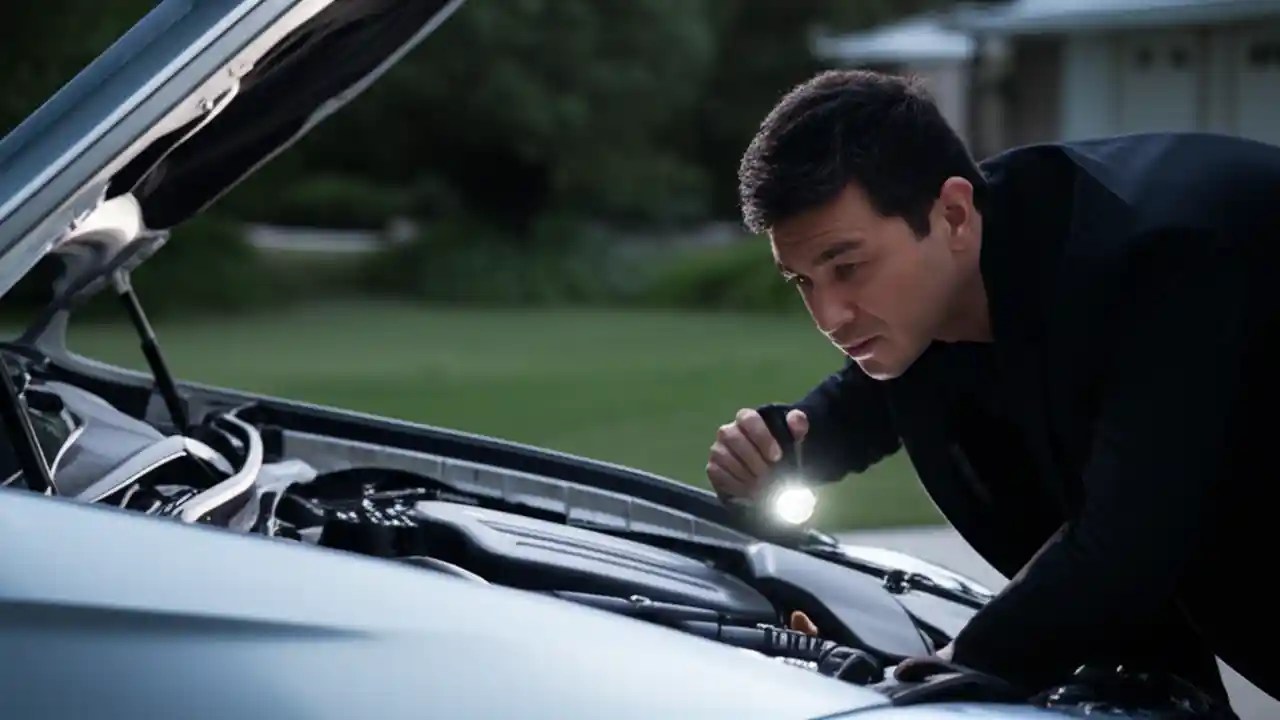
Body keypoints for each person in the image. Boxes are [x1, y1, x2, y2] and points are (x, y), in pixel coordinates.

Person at [707, 68, 1280, 708]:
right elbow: (865, 400)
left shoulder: (1160, 263)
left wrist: (965, 662)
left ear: (953, 212)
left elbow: (1126, 540)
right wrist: (776, 451)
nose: (830, 315)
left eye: (848, 267)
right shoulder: (946, 280)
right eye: (803, 281)